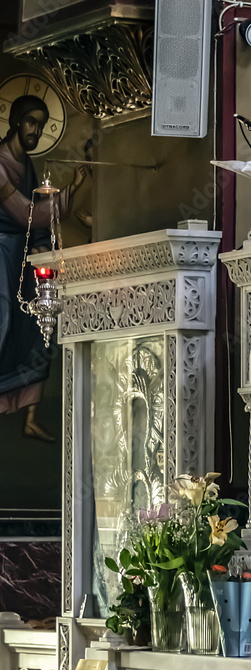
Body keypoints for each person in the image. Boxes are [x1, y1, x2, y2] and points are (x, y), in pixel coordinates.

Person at [0, 94, 86, 441]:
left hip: (23, 258)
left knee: (38, 327)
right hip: (2, 255)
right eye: (31, 121)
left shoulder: (28, 163)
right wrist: (68, 194)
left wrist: (39, 240)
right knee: (4, 325)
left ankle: (30, 416)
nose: (36, 129)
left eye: (41, 123)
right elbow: (23, 212)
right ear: (16, 122)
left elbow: (32, 216)